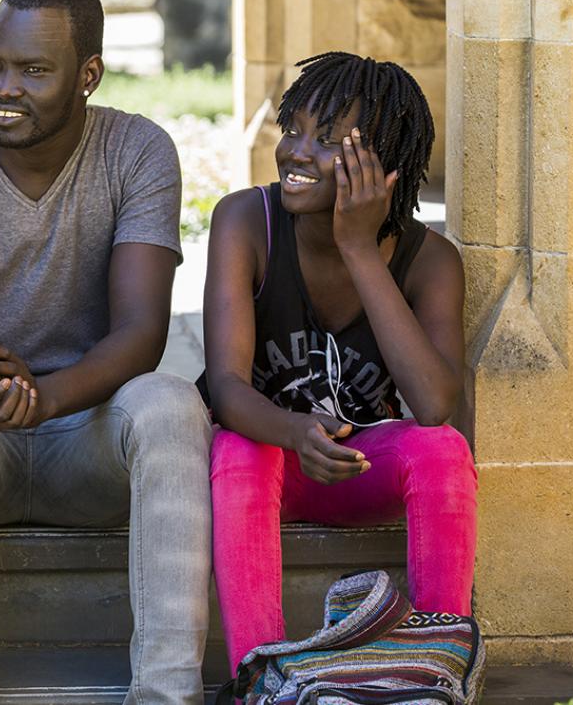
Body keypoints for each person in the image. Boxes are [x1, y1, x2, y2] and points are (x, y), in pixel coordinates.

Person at [0, 0, 212, 704]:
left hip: (87, 440)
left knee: (170, 403)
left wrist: (47, 397)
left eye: (33, 70)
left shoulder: (138, 151)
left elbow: (142, 332)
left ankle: (165, 693)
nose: (4, 86)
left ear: (87, 74)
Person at [201, 52, 477, 670]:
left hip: (361, 466)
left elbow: (434, 405)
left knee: (444, 450)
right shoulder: (247, 222)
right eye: (292, 129)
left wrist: (360, 246)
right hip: (273, 464)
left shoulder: (430, 261)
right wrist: (294, 432)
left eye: (327, 142)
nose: (296, 152)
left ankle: (439, 656)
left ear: (385, 168)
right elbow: (226, 386)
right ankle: (263, 670)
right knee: (237, 445)